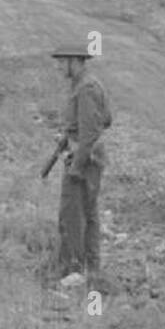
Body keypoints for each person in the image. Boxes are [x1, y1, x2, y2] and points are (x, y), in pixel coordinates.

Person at [49, 43, 112, 290]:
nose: (58, 66)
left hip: (85, 160)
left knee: (72, 214)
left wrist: (76, 165)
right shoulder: (85, 84)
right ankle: (91, 269)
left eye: (61, 62)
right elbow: (105, 119)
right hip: (87, 158)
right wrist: (68, 135)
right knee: (89, 212)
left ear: (74, 61)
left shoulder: (86, 88)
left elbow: (91, 132)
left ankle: (74, 270)